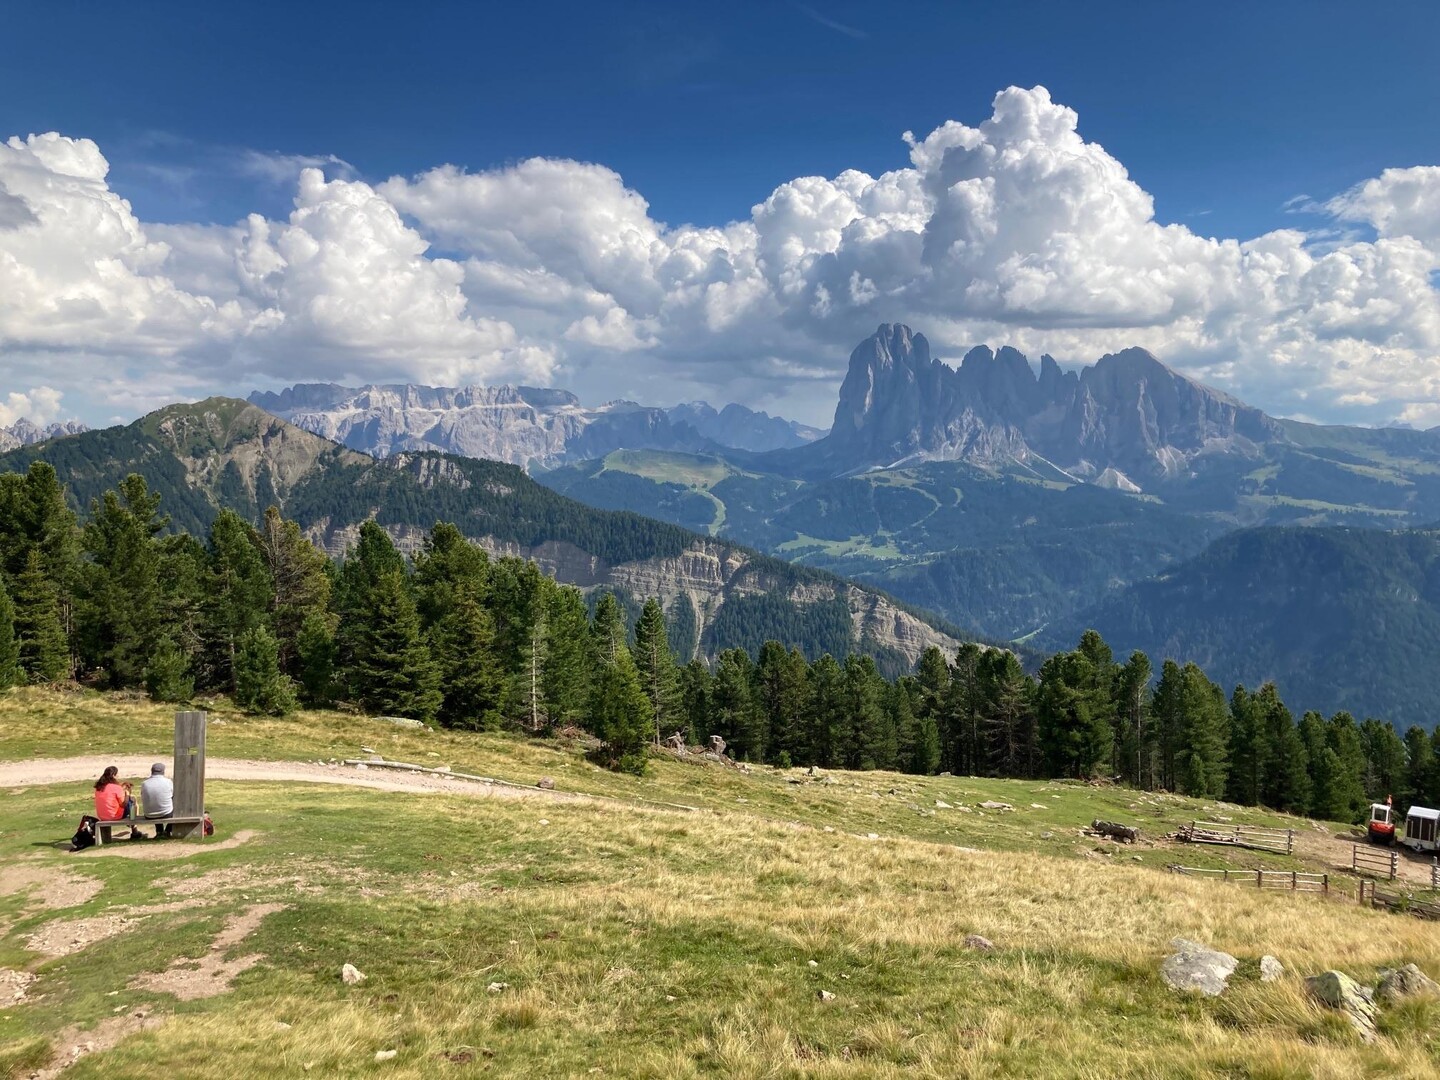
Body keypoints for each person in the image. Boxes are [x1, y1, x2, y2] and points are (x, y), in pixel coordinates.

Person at [93, 765, 142, 842]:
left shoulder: (99, 787)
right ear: (113, 775)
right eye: (117, 774)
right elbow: (123, 804)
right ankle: (134, 828)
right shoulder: (116, 787)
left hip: (102, 816)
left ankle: (133, 826)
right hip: (114, 816)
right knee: (132, 801)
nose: (118, 776)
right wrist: (127, 794)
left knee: (129, 801)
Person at [140, 762, 174, 838]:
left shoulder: (144, 783)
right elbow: (172, 795)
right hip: (166, 814)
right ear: (163, 771)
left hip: (148, 814)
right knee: (169, 805)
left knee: (155, 802)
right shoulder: (168, 782)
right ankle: (168, 830)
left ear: (151, 771)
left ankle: (159, 831)